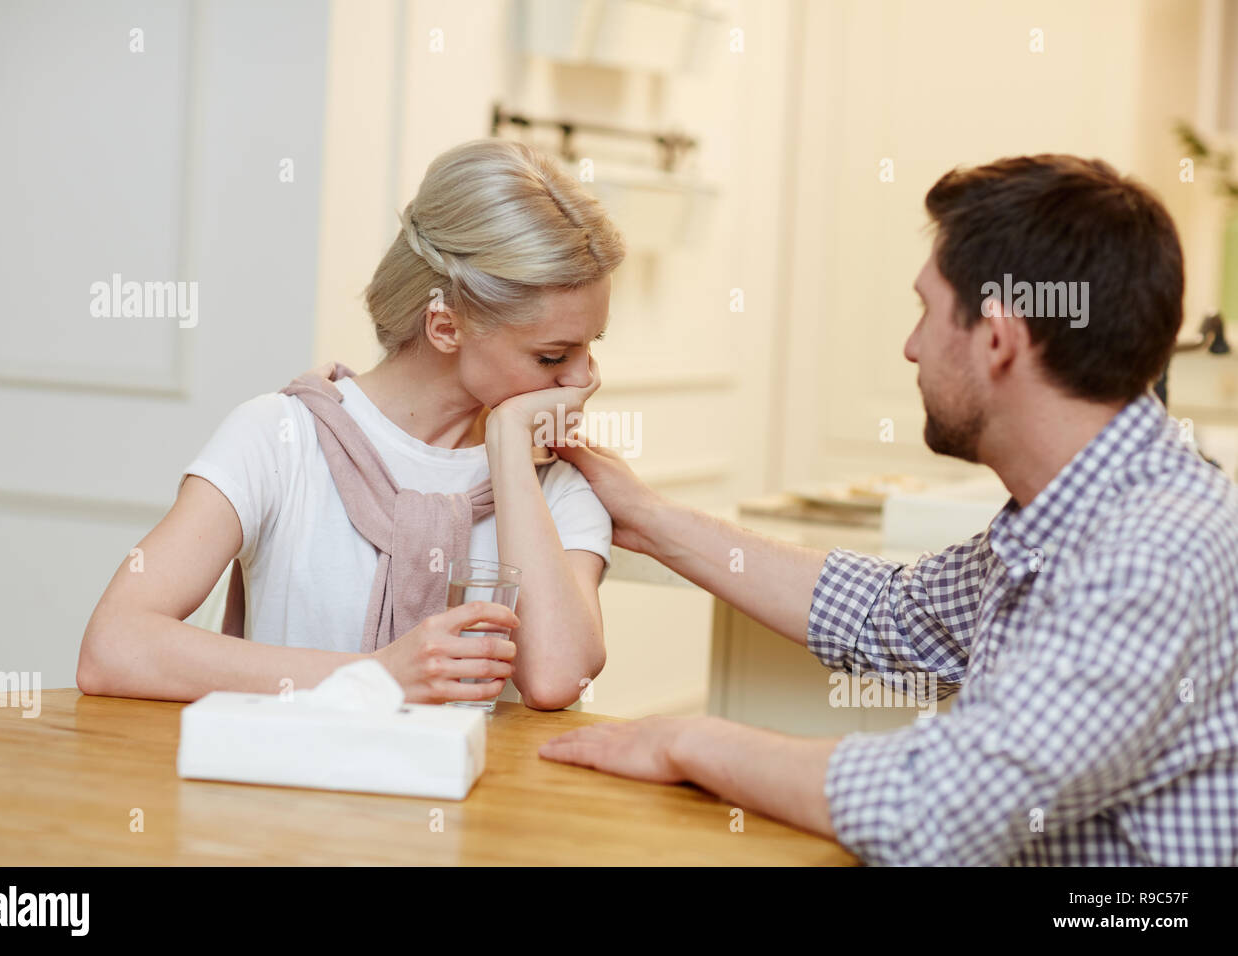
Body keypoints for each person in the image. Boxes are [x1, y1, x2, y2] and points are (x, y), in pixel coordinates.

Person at [543, 155, 1238, 865]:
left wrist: (686, 738)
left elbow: (932, 806)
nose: (911, 348)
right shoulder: (1076, 510)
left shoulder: (1154, 549)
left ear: (998, 339)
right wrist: (651, 520)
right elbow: (891, 615)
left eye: (926, 312)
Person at [78, 139, 625, 712]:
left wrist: (510, 446)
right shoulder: (279, 439)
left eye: (592, 345)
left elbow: (558, 678)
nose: (586, 378)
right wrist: (377, 675)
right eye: (552, 355)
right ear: (445, 327)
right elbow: (113, 645)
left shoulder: (558, 484)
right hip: (291, 798)